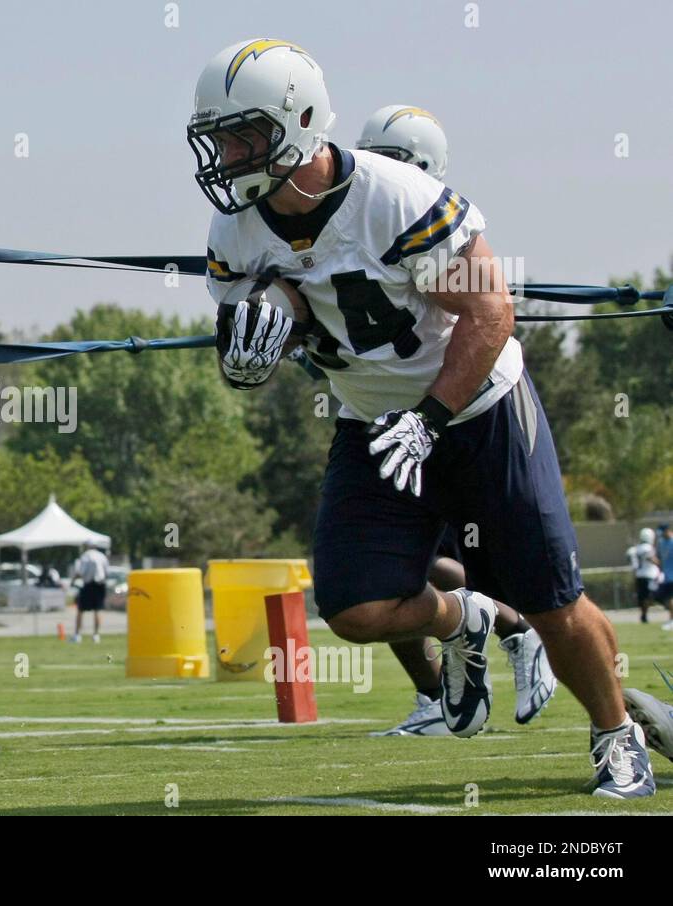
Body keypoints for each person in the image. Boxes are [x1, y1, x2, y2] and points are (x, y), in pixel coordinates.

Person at [191, 39, 663, 797]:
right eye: (218, 137)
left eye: (243, 133)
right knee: (354, 605)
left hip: (480, 408)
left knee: (550, 600)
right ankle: (464, 618)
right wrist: (265, 321)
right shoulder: (236, 229)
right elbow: (294, 294)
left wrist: (432, 418)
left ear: (301, 123)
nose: (228, 153)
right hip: (371, 419)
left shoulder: (396, 196)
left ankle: (617, 737)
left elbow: (488, 311)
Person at [355, 107, 556, 736]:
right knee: (377, 579)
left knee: (525, 569)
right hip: (380, 421)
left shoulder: (441, 228)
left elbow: (487, 311)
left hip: (462, 418)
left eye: (394, 164)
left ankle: (522, 633)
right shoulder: (348, 223)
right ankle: (437, 694)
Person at [625, 527, 664, 625]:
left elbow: (631, 560)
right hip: (650, 574)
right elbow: (651, 558)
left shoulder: (636, 548)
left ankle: (644, 615)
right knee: (651, 596)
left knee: (642, 597)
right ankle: (646, 614)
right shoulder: (648, 548)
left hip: (639, 575)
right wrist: (660, 563)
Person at [73, 541, 109, 644]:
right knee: (98, 610)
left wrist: (73, 580)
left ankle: (77, 635)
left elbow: (81, 572)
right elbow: (106, 573)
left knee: (80, 610)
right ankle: (96, 635)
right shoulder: (102, 556)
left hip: (88, 585)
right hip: (100, 585)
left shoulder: (85, 556)